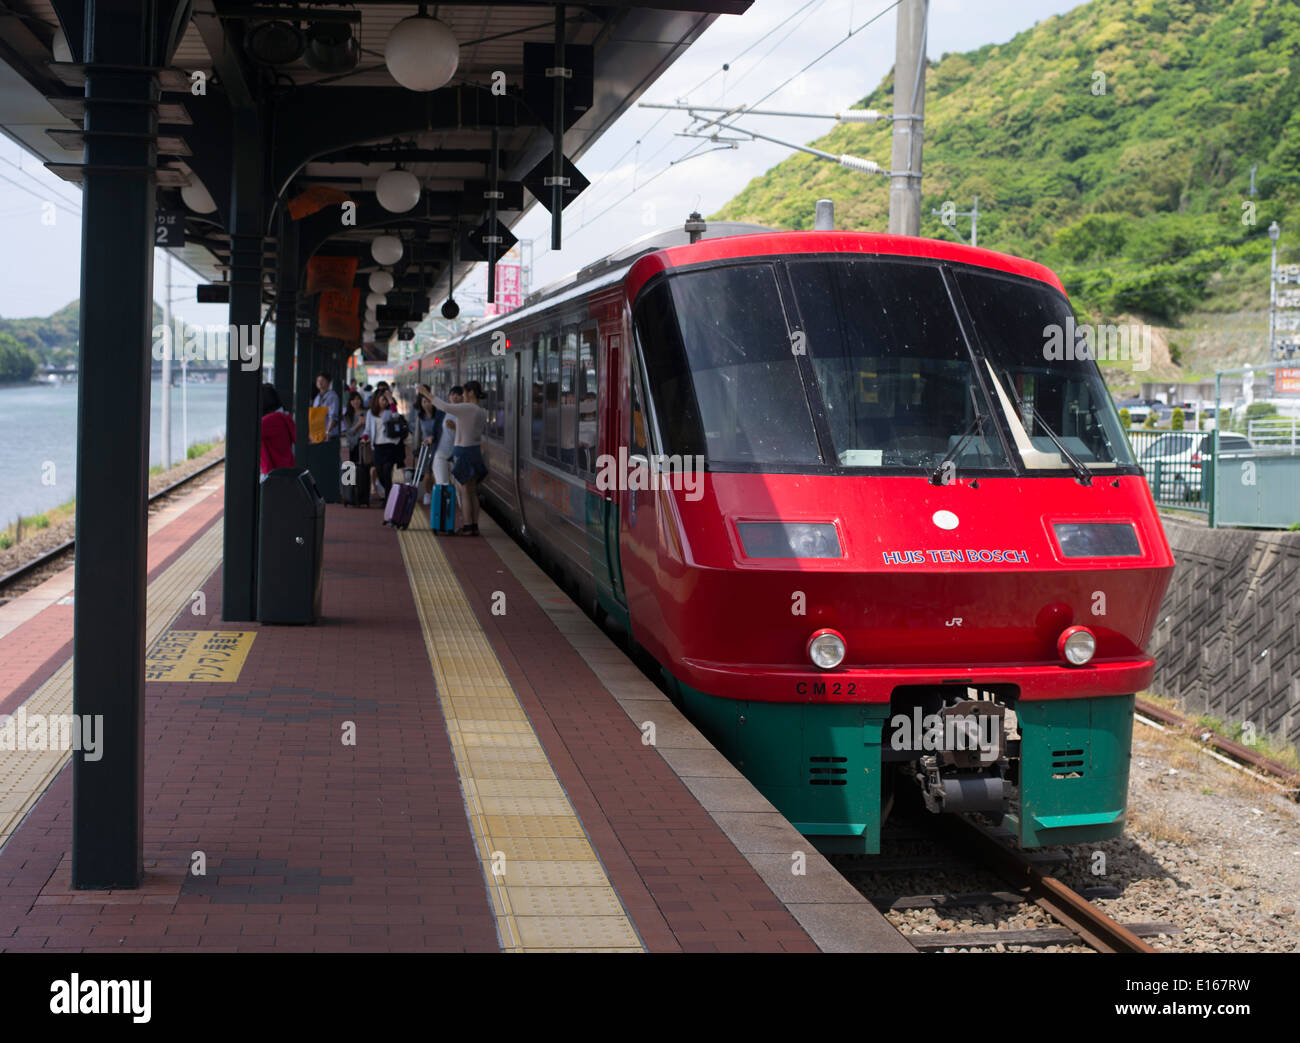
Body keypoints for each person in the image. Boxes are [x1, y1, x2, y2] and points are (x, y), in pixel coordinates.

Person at [432, 380, 487, 536]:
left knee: (464, 490)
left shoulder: (468, 407)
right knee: (472, 491)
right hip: (475, 451)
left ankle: (467, 525)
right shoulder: (481, 410)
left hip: (464, 452)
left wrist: (426, 393)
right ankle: (474, 525)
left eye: (463, 393)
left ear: (470, 393)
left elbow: (444, 406)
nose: (462, 396)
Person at [365, 389, 406, 499]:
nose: (385, 402)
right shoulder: (370, 413)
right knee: (379, 471)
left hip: (390, 445)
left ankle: (387, 498)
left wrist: (390, 400)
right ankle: (389, 491)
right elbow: (367, 429)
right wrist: (365, 437)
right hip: (378, 446)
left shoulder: (389, 412)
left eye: (386, 400)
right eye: (383, 400)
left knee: (387, 470)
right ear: (377, 399)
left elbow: (396, 417)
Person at [260, 383, 296, 478]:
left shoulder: (269, 421)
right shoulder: (283, 416)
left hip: (272, 472)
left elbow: (247, 433)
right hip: (285, 467)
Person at [430, 385, 461, 489]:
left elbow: (469, 433)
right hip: (441, 453)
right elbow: (435, 431)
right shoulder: (442, 412)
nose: (455, 397)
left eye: (458, 394)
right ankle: (443, 505)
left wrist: (456, 428)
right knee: (443, 484)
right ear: (449, 396)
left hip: (458, 455)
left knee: (459, 487)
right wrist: (431, 438)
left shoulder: (464, 413)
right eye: (452, 394)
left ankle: (458, 505)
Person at [342, 389, 368, 499]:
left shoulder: (367, 413)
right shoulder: (347, 415)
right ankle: (351, 494)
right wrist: (358, 423)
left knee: (365, 468)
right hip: (352, 445)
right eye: (353, 400)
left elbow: (370, 428)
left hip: (365, 445)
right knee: (351, 467)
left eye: (358, 399)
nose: (356, 402)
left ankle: (363, 493)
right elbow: (348, 432)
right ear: (350, 402)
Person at [313, 372, 340, 439]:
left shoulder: (332, 396)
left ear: (328, 382)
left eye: (322, 380)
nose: (320, 382)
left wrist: (328, 431)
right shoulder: (317, 397)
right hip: (318, 433)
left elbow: (333, 416)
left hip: (329, 434)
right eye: (318, 380)